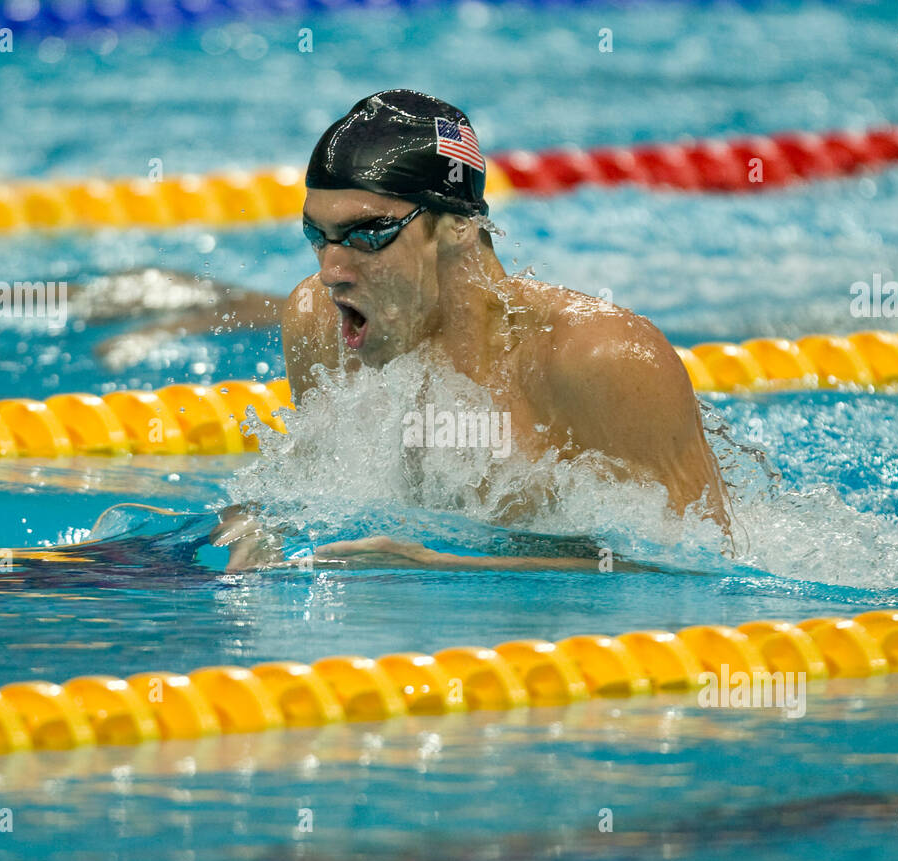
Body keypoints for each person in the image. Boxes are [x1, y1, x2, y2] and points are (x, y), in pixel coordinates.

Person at [211, 90, 731, 571]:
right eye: (318, 236)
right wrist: (250, 526)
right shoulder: (318, 322)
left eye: (368, 233)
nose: (332, 271)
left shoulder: (599, 358)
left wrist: (447, 569)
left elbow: (700, 571)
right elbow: (312, 493)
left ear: (457, 224)